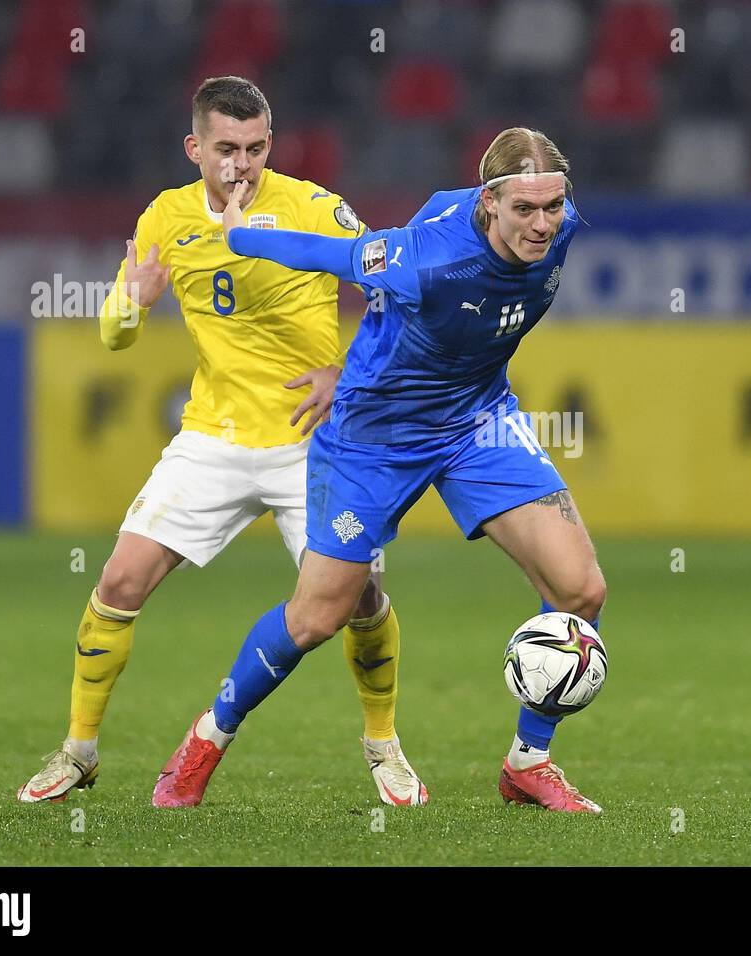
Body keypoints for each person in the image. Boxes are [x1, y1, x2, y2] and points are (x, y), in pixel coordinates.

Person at [155, 127, 607, 813]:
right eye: (526, 210)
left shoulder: (563, 224)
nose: (543, 224)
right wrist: (240, 234)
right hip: (374, 434)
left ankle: (528, 762)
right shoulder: (422, 259)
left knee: (580, 590)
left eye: (552, 205)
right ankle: (204, 741)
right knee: (317, 616)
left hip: (477, 422)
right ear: (490, 202)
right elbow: (321, 253)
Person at [17, 76, 427, 809]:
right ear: (194, 147)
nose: (242, 164)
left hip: (316, 442)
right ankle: (79, 750)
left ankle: (384, 746)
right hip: (215, 436)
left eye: (256, 147)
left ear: (271, 143)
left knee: (362, 597)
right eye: (226, 149)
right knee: (119, 582)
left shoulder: (312, 207)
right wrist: (132, 307)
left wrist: (345, 369)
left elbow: (399, 291)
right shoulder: (167, 217)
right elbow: (112, 332)